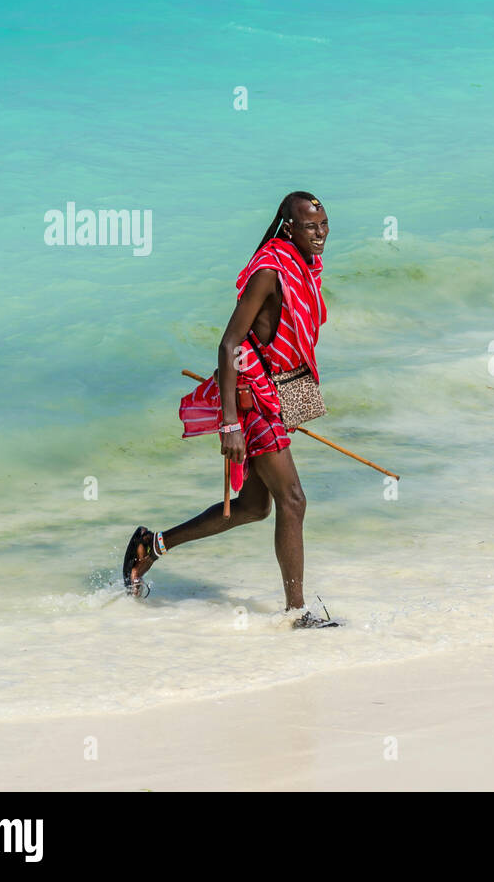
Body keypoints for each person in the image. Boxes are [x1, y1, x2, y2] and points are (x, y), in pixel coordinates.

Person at [121, 191, 334, 629]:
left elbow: (281, 345)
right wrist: (231, 423)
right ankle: (298, 614)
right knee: (293, 501)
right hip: (249, 398)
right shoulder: (270, 273)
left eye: (324, 224)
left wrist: (293, 403)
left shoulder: (304, 266)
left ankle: (151, 544)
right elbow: (229, 344)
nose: (320, 234)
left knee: (256, 508)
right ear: (288, 227)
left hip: (272, 394)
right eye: (310, 226)